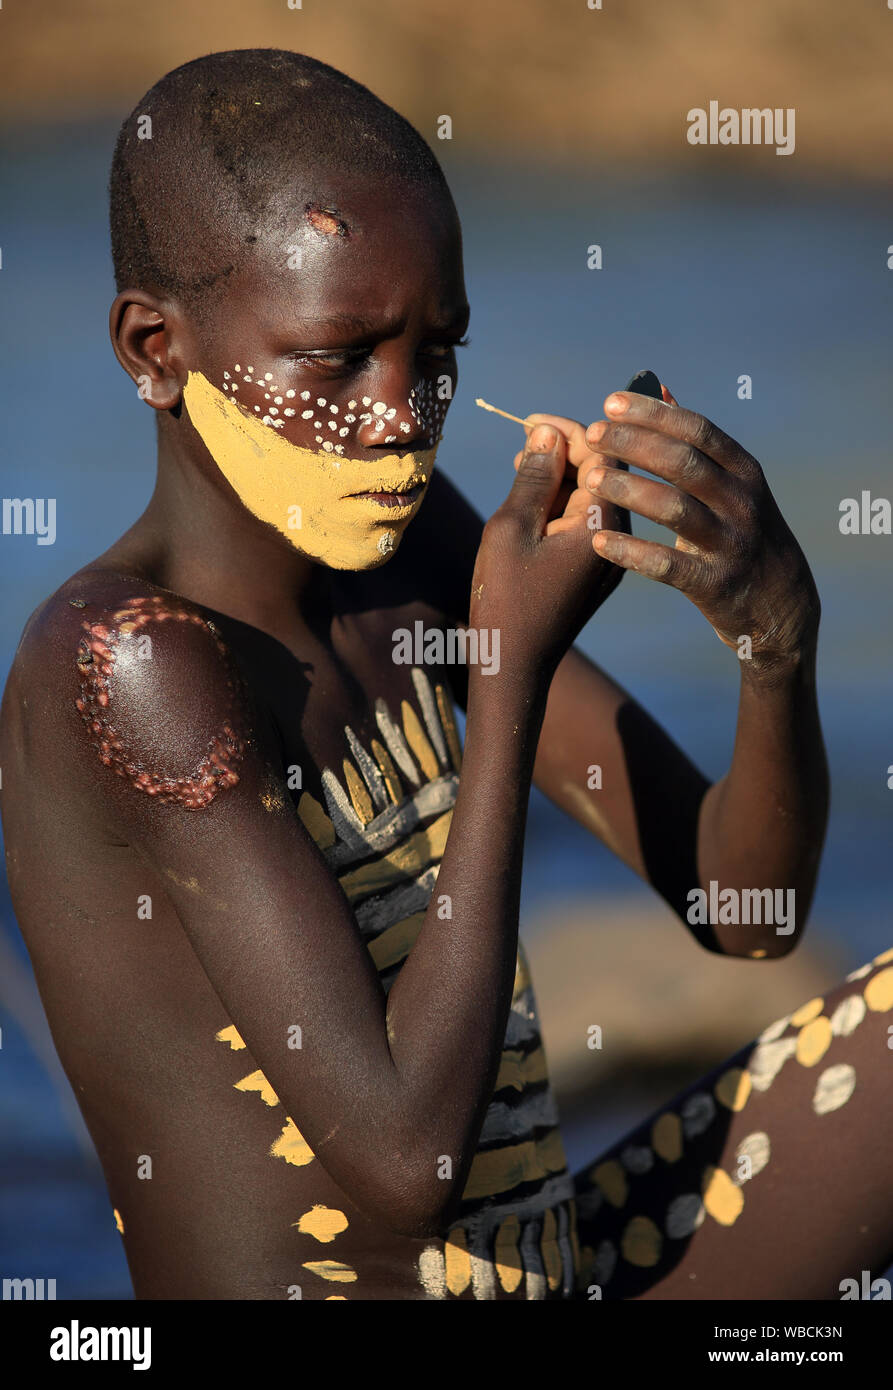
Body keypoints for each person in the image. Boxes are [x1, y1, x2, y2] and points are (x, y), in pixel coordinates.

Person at [1, 49, 889, 1301]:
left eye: (435, 352)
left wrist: (772, 642)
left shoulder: (410, 550)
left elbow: (745, 914)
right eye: (338, 355)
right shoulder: (128, 661)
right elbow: (407, 1157)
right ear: (156, 350)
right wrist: (506, 666)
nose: (401, 413)